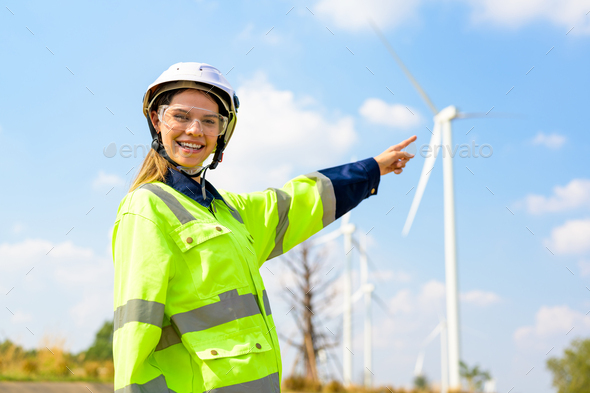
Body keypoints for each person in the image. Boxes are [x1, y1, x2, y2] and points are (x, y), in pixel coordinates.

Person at [112, 61, 416, 393]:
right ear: (158, 120)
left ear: (222, 133)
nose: (195, 130)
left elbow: (300, 201)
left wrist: (371, 169)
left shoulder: (230, 213)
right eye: (181, 116)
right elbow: (135, 331)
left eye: (210, 121)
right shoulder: (145, 208)